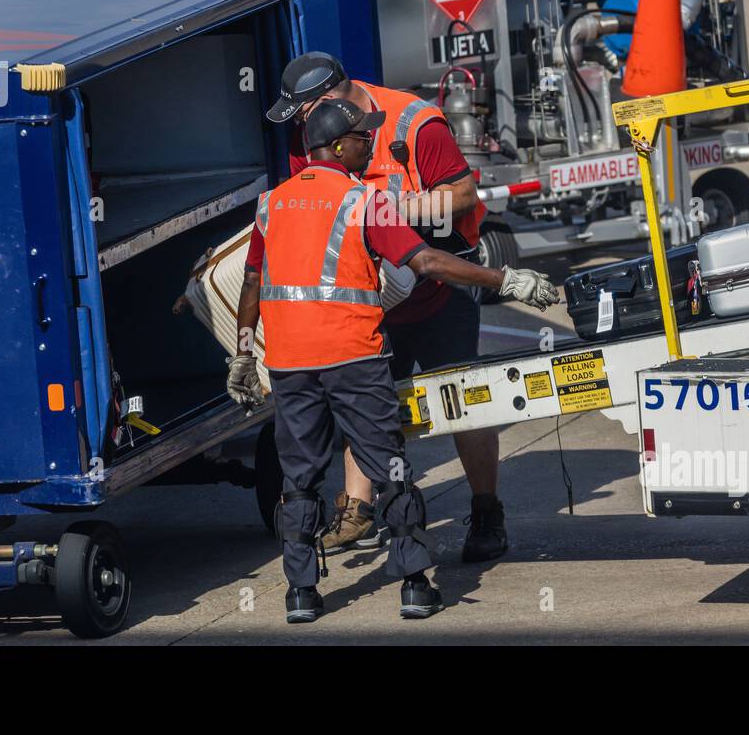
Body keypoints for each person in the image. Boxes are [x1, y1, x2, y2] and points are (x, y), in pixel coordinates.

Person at [228, 97, 559, 623]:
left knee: (299, 479)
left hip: (289, 362)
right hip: (352, 357)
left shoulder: (272, 204)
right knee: (392, 470)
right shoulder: (366, 202)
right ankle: (413, 584)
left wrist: (245, 355)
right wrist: (506, 279)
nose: (370, 144)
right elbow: (425, 260)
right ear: (340, 146)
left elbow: (251, 281)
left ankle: (302, 596)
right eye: (364, 137)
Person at [268, 52, 511, 563]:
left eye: (303, 112)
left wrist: (392, 213)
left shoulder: (415, 123)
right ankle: (356, 510)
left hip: (441, 285)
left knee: (461, 402)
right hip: (370, 295)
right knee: (364, 407)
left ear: (329, 100)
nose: (297, 125)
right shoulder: (307, 136)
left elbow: (464, 193)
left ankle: (487, 511)